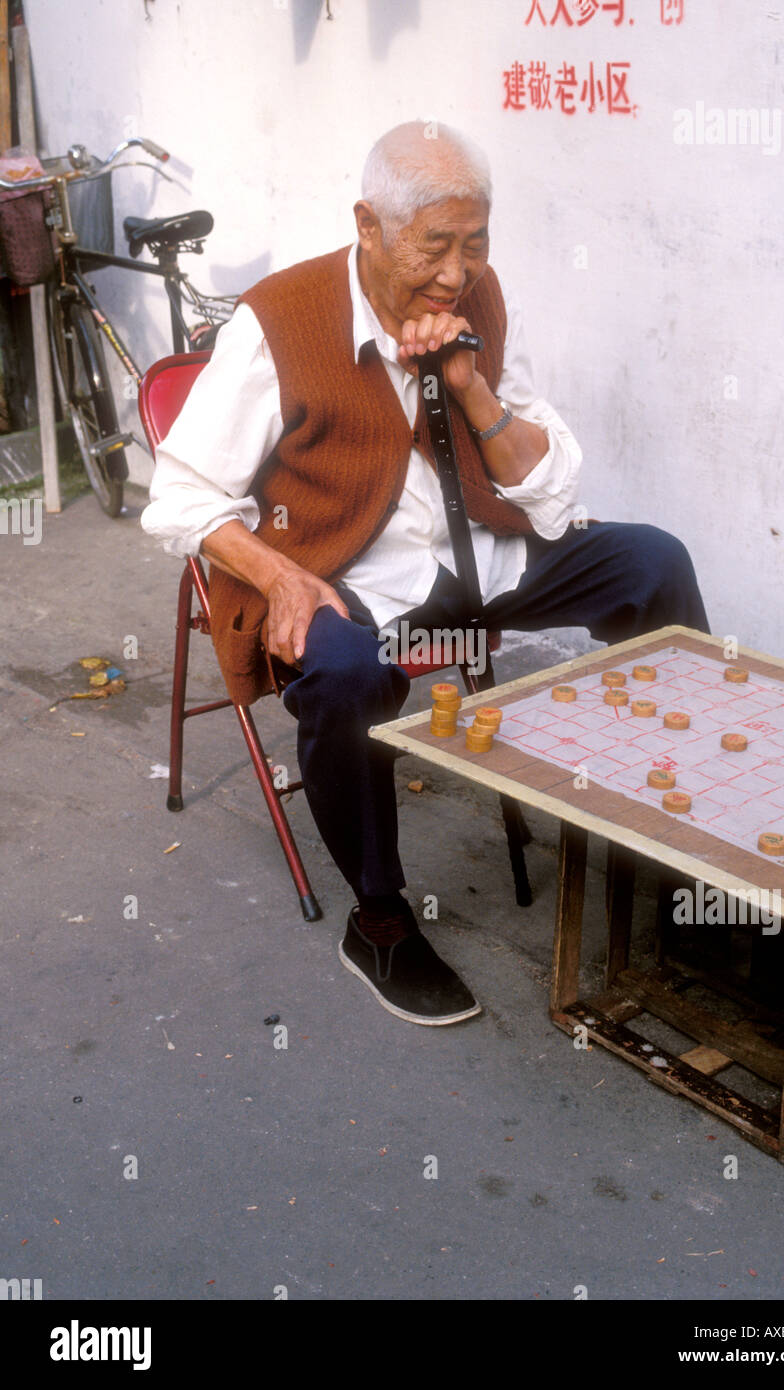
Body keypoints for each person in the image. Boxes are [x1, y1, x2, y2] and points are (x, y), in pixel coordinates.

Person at [142, 121, 710, 1028]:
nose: (456, 272)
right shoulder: (279, 320)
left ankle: (679, 842)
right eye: (433, 246)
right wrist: (281, 579)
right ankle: (379, 918)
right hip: (350, 576)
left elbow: (551, 494)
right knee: (345, 673)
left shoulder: (477, 302)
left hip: (473, 561)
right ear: (368, 225)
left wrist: (471, 385)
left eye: (475, 243)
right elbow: (178, 493)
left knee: (651, 563)